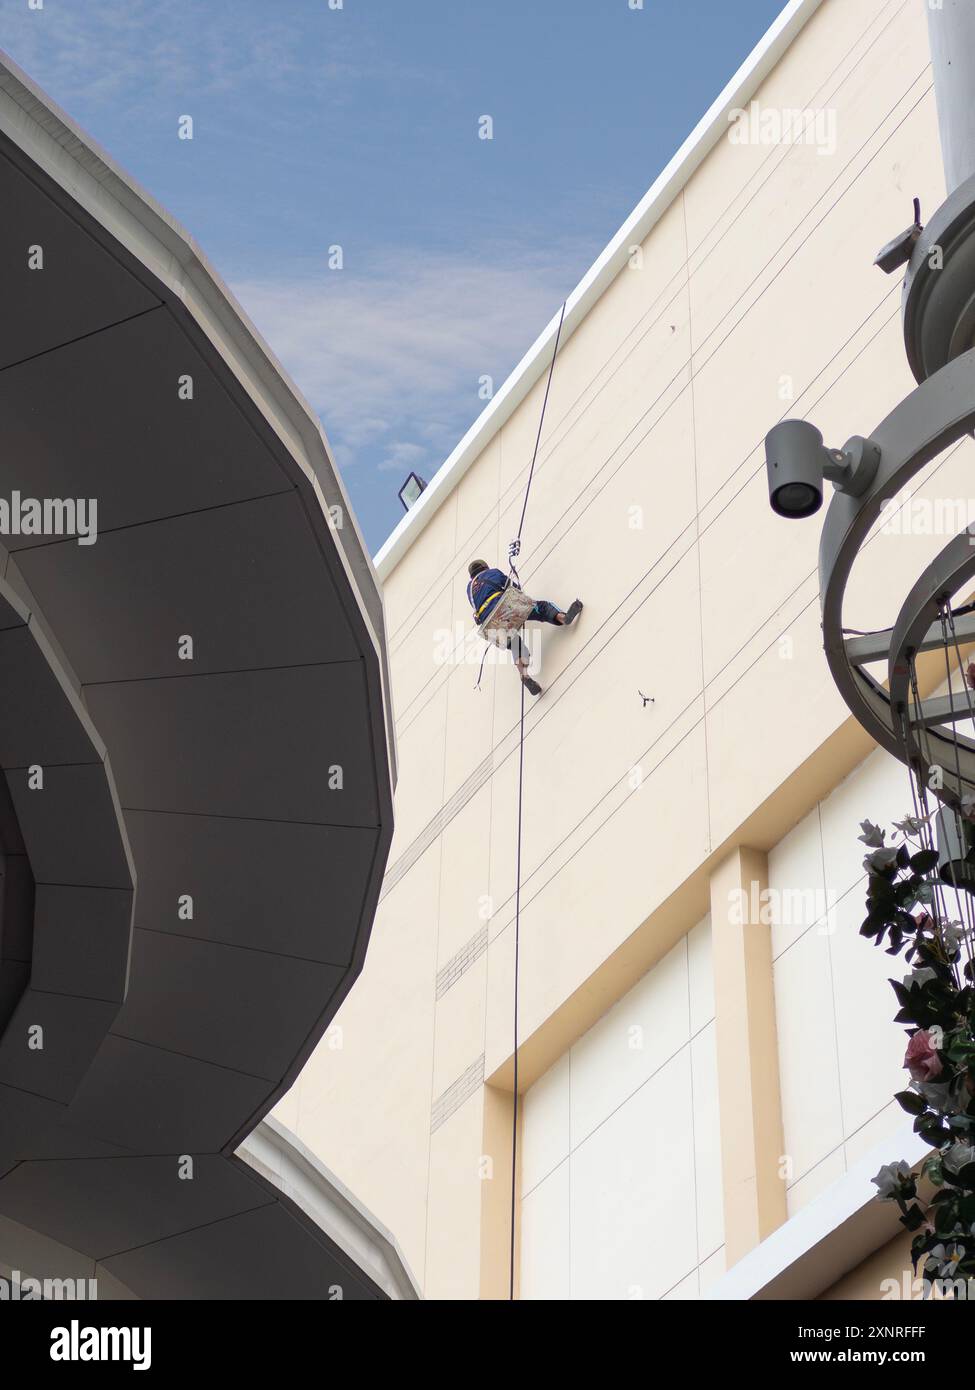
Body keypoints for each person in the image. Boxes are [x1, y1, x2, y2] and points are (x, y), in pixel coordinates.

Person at [467, 558, 582, 696]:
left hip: (490, 624)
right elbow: (513, 587)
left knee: (515, 643)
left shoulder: (469, 590)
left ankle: (524, 675)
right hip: (503, 607)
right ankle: (564, 617)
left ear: (472, 575)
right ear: (485, 567)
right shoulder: (492, 572)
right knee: (541, 607)